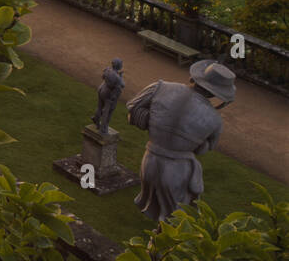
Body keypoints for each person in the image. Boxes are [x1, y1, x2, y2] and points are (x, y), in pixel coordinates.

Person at [127, 59, 235, 222]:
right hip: (178, 168)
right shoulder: (215, 120)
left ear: (196, 77)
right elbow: (204, 149)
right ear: (217, 93)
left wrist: (154, 123)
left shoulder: (160, 87)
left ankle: (154, 245)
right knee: (176, 220)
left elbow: (133, 107)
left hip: (150, 160)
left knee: (165, 217)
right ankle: (159, 246)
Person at [91, 58, 125, 134]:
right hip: (108, 94)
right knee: (107, 111)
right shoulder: (117, 78)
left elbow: (103, 77)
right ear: (119, 66)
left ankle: (96, 119)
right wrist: (121, 76)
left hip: (101, 89)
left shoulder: (107, 70)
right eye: (121, 65)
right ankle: (103, 129)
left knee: (99, 107)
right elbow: (122, 85)